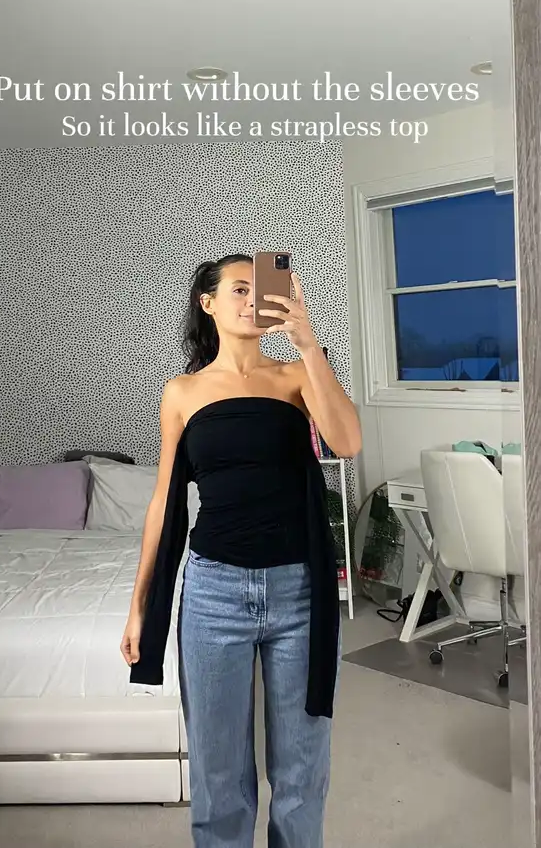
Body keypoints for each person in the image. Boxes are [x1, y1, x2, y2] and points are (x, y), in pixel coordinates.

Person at [120, 253, 362, 848]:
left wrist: (308, 343)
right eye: (239, 289)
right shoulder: (182, 393)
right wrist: (140, 604)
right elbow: (163, 502)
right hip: (214, 594)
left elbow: (348, 441)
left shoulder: (298, 377)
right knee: (218, 774)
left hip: (298, 593)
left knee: (301, 770)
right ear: (208, 303)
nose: (253, 298)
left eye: (262, 288)